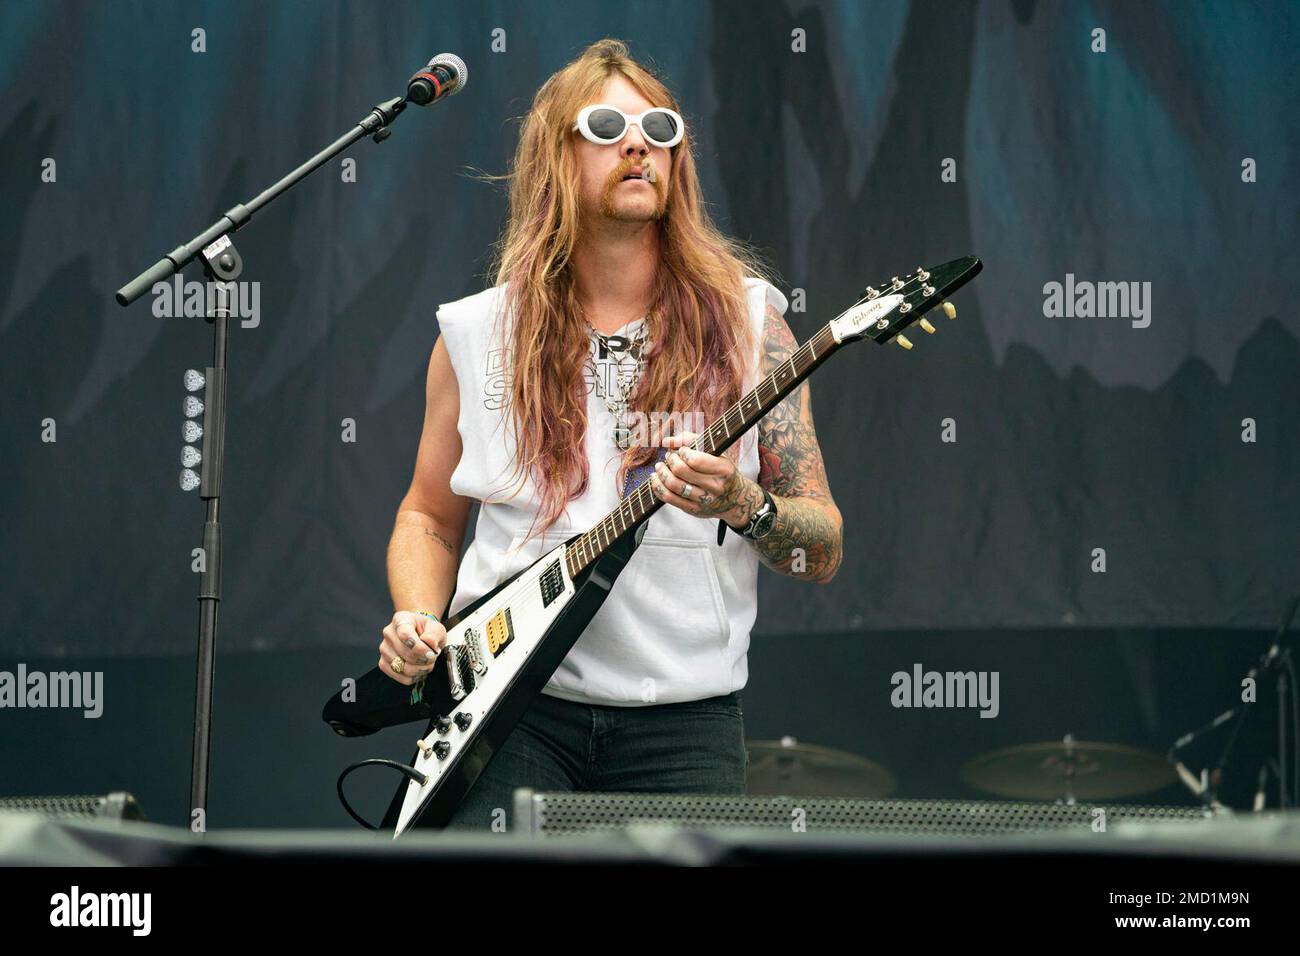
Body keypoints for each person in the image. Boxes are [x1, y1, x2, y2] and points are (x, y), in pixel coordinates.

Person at [378, 39, 842, 830]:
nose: (639, 144)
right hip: (511, 711)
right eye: (605, 126)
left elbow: (821, 546)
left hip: (686, 724)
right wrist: (418, 617)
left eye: (660, 129)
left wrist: (744, 503)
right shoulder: (477, 332)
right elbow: (426, 516)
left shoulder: (749, 323)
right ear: (554, 158)